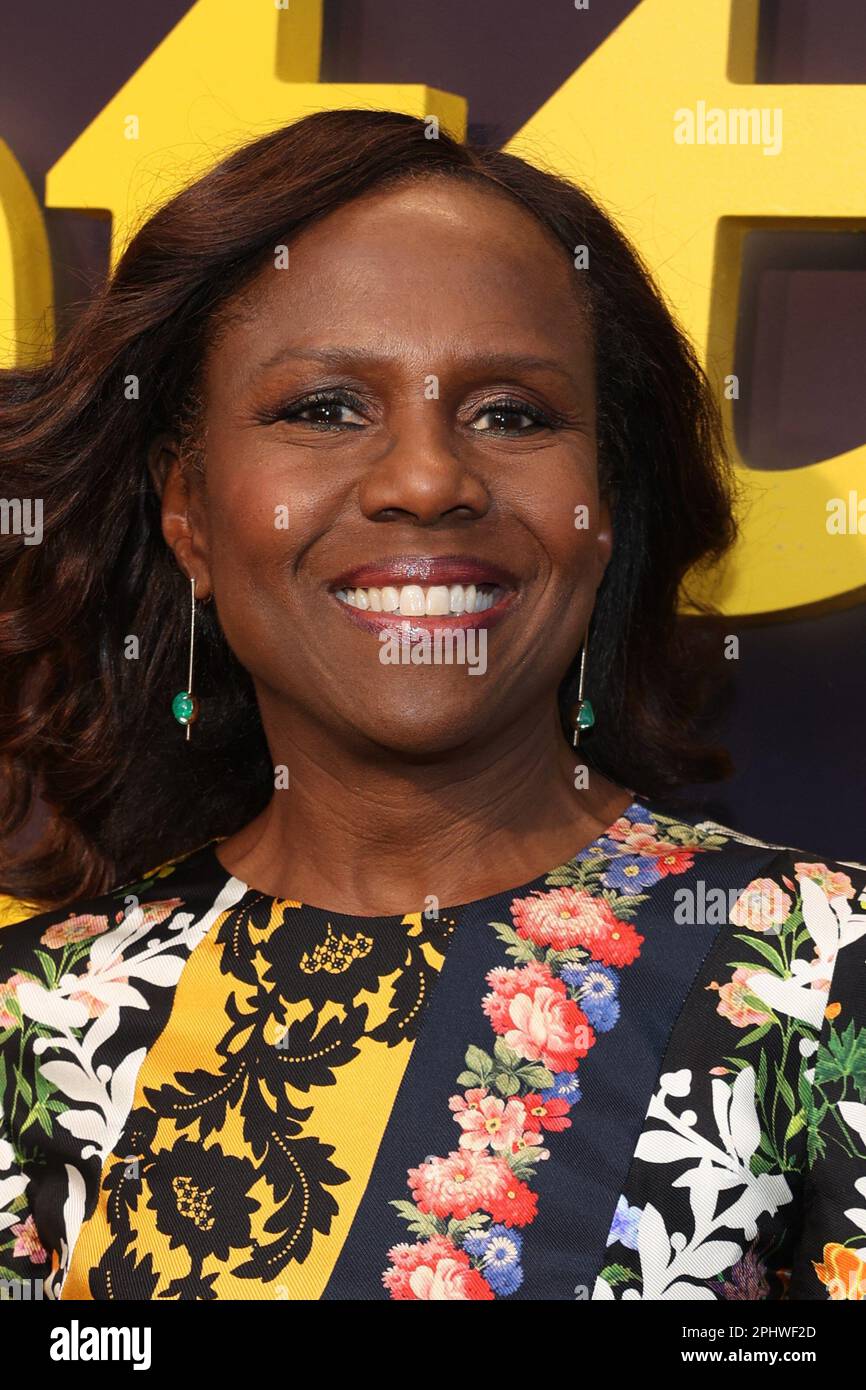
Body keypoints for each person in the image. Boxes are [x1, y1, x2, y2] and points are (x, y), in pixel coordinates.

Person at [0, 108, 863, 1302]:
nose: (425, 479)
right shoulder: (33, 1023)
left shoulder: (819, 976)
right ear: (186, 508)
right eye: (323, 408)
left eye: (510, 414)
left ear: (601, 506)